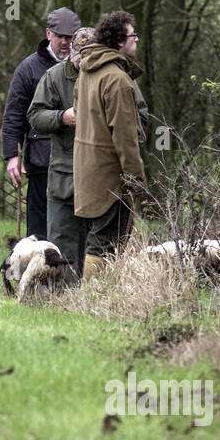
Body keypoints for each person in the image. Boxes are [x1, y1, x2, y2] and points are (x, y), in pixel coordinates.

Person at [30, 25, 149, 282]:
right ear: (71, 54)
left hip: (103, 173)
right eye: (78, 58)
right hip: (64, 173)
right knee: (63, 243)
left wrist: (107, 124)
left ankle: (89, 295)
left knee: (101, 241)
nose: (83, 62)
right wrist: (62, 118)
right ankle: (61, 297)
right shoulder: (53, 77)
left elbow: (140, 117)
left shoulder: (116, 76)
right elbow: (34, 116)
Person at [72, 10, 145, 277]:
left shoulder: (87, 72)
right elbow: (126, 138)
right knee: (105, 242)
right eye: (132, 35)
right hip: (109, 177)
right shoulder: (118, 80)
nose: (136, 40)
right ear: (119, 41)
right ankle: (93, 298)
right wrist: (135, 178)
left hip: (87, 172)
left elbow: (79, 115)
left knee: (101, 239)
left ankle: (101, 297)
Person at [1, 8, 78, 238]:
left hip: (78, 158)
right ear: (48, 33)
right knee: (39, 229)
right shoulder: (28, 68)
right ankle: (38, 273)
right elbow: (14, 115)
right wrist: (12, 156)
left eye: (70, 37)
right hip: (40, 159)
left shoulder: (87, 67)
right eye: (60, 36)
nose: (65, 42)